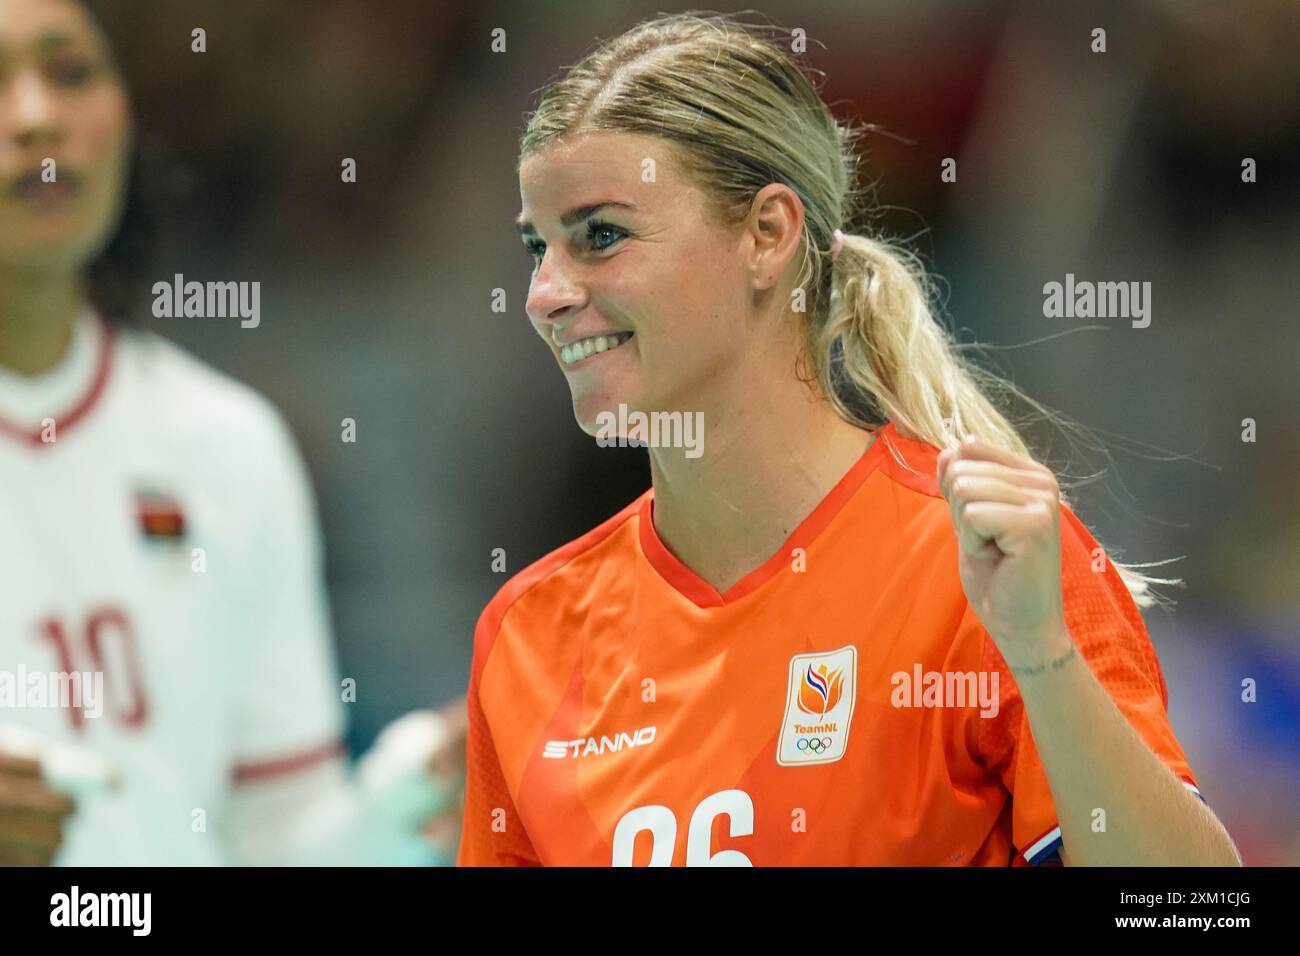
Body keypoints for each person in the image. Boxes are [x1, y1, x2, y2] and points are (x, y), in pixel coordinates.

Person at [457, 12, 1241, 866]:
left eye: (600, 236)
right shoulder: (530, 632)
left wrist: (1043, 657)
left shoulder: (989, 570)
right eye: (540, 246)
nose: (545, 293)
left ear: (768, 234)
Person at [0, 0, 463, 866]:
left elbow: (279, 841)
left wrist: (408, 810)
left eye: (71, 73)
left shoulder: (229, 446)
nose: (37, 118)